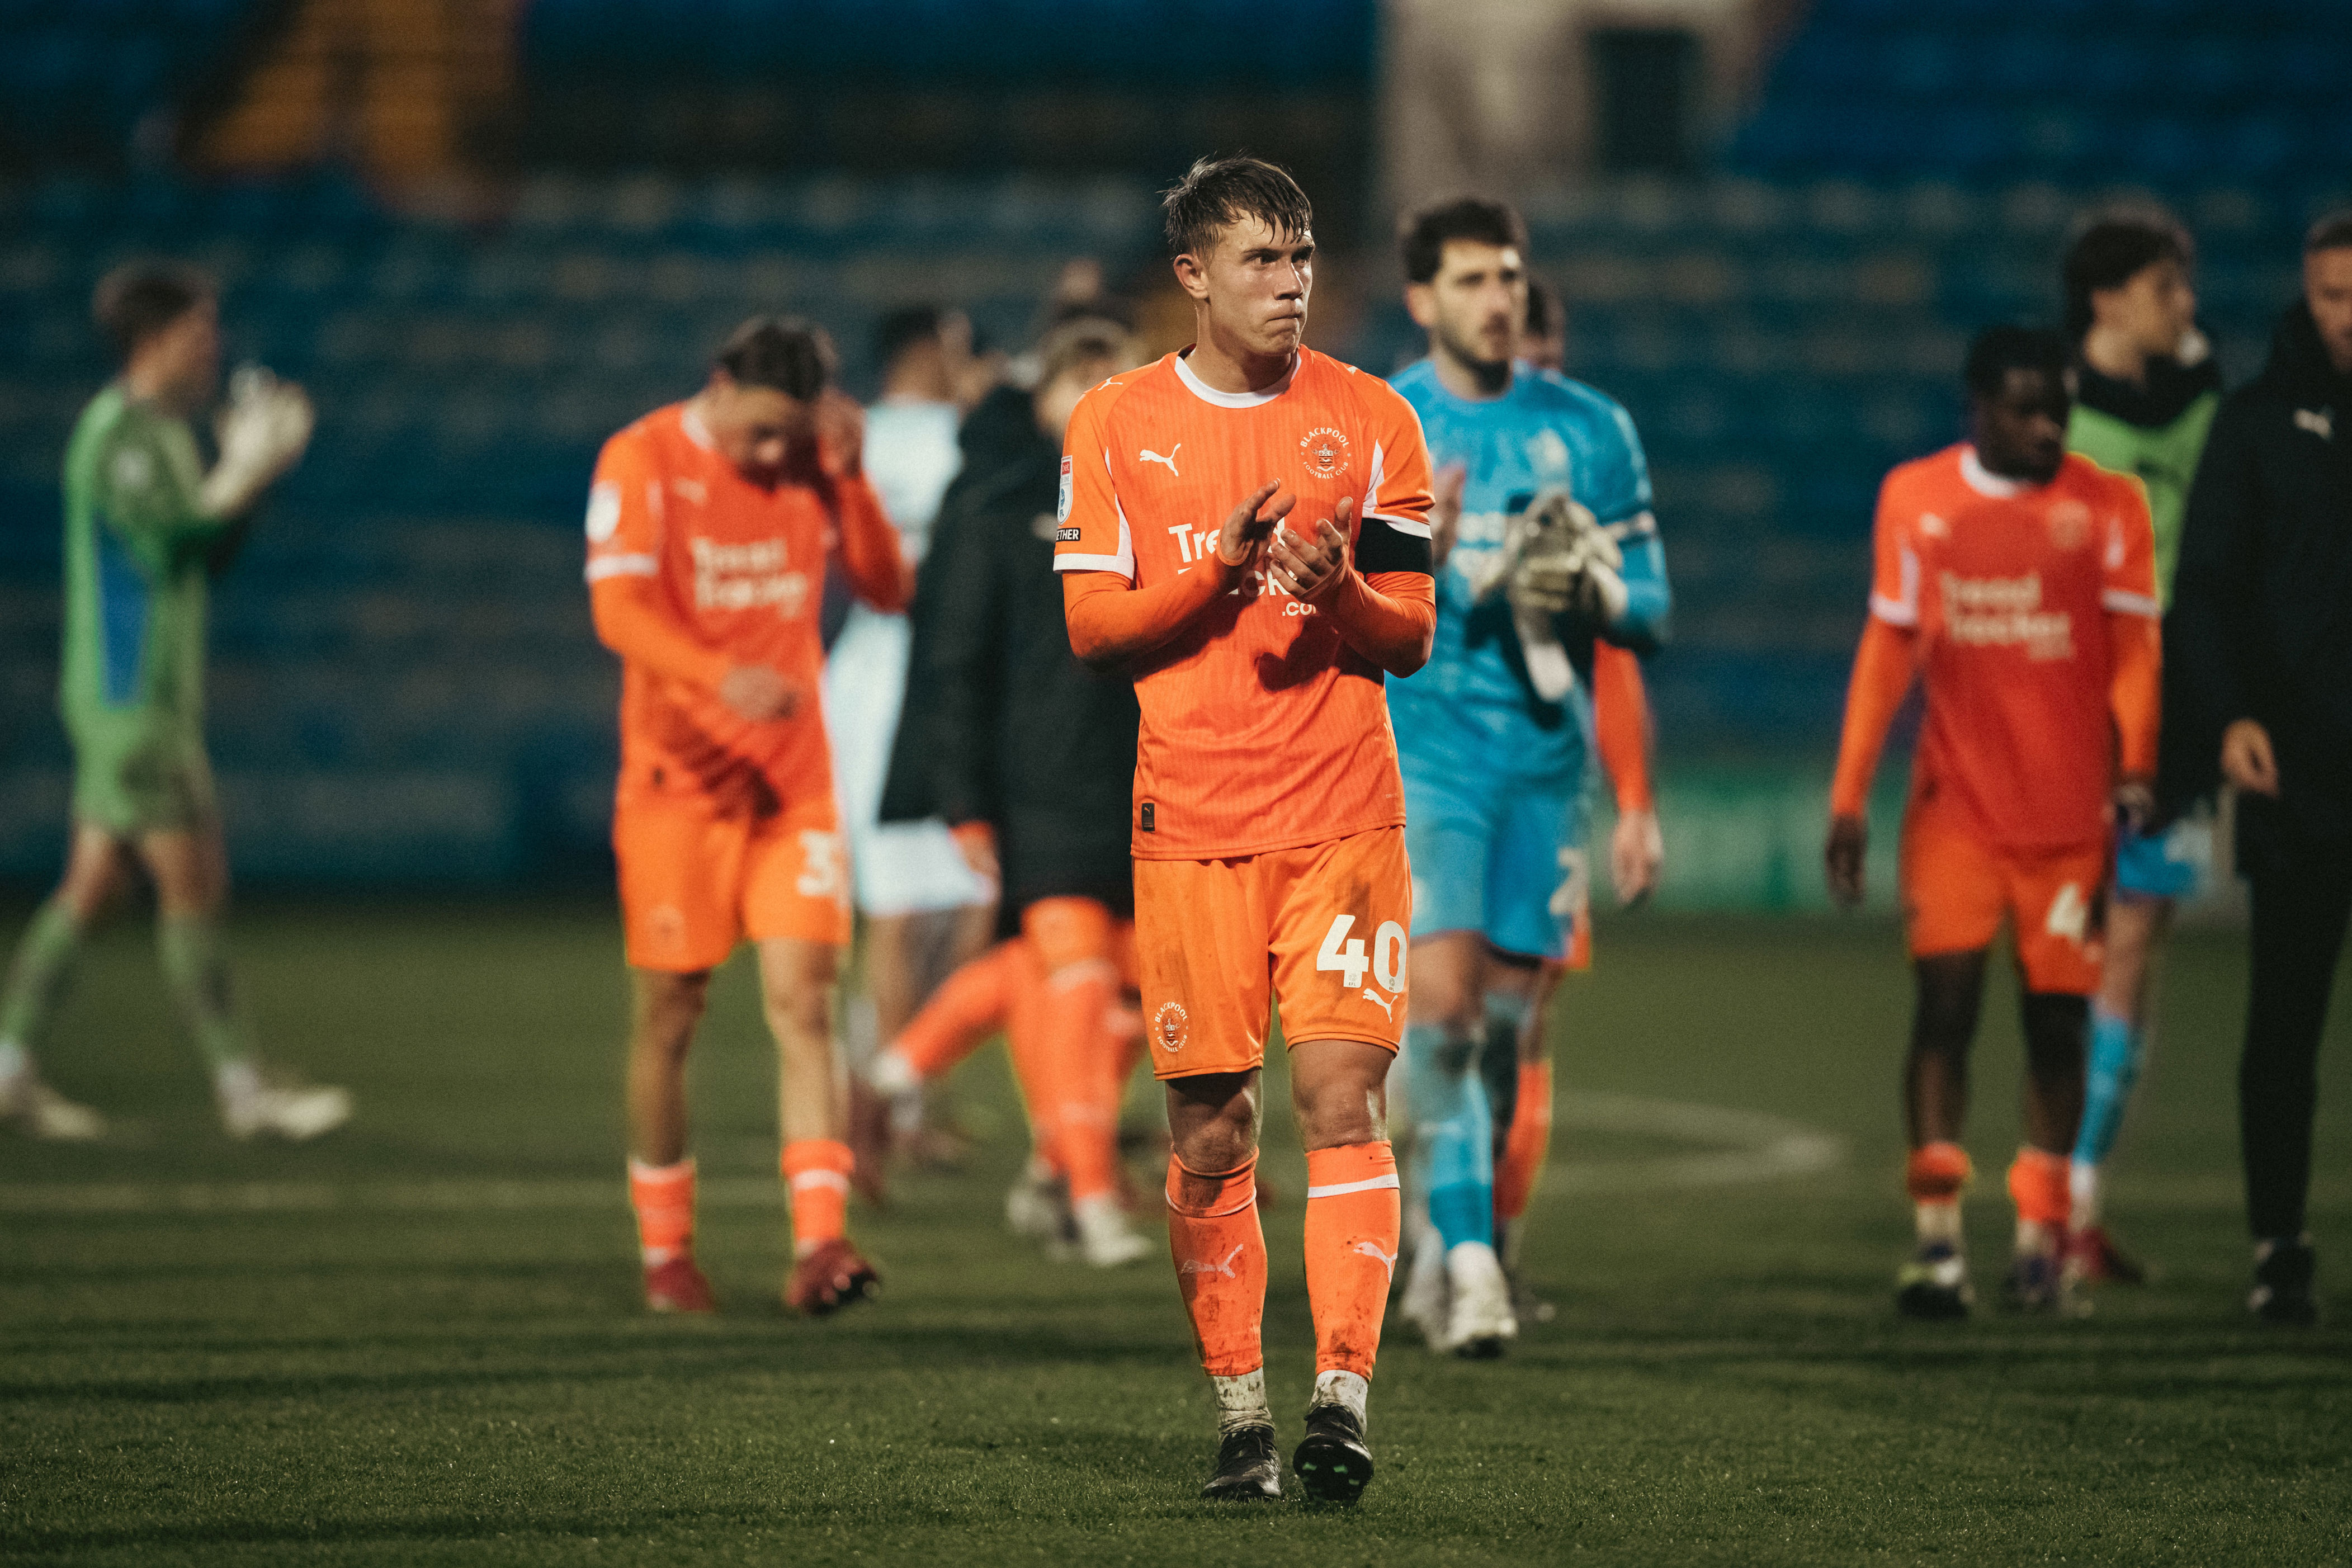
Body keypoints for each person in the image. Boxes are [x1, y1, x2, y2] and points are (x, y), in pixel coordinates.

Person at [1055, 157, 1436, 1505]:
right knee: (1213, 1132)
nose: (1291, 282)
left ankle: (1340, 1394)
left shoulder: (1374, 415)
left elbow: (1413, 635)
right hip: (1193, 823)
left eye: (1303, 255)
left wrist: (1337, 596)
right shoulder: (1111, 424)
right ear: (1193, 276)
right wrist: (1217, 570)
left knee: (1343, 1098)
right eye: (1263, 261)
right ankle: (1240, 1419)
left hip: (1341, 818)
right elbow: (1093, 632)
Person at [1382, 197, 1671, 1358]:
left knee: (1502, 1032)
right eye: (1469, 280)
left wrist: (1591, 589)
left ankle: (1450, 1229)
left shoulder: (1594, 428)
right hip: (1427, 757)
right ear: (1422, 298)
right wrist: (1430, 560)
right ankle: (1469, 1262)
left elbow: (1652, 610)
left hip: (1545, 770)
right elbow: (1345, 608)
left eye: (1508, 276)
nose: (1497, 299)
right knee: (1442, 1014)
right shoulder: (1388, 420)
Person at [1826, 325, 2160, 1320]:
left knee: (2058, 1031)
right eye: (2025, 408)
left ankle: (2037, 1245)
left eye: (2058, 405)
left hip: (2068, 822)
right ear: (1978, 407)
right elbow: (1887, 650)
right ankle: (1936, 1244)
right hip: (1954, 815)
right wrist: (1848, 795)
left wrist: (2135, 764)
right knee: (1945, 1014)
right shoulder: (1917, 499)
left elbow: (2136, 649)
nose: (2047, 425)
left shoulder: (2108, 506)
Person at [585, 317, 911, 1317]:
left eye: (791, 437)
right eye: (761, 433)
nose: (774, 457)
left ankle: (819, 1243)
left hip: (792, 788)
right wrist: (721, 678)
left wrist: (850, 481)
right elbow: (620, 614)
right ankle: (667, 1252)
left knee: (806, 1003)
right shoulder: (641, 459)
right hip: (678, 786)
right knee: (673, 1009)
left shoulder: (817, 463)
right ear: (718, 386)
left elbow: (889, 588)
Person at [0, 261, 350, 1144]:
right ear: (154, 340)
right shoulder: (119, 436)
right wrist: (242, 470)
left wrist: (248, 480)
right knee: (195, 883)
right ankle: (242, 1092)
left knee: (91, 890)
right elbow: (166, 544)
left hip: (139, 700)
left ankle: (8, 1069)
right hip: (131, 704)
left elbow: (205, 556)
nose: (213, 346)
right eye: (199, 331)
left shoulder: (159, 432)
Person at [865, 314, 1156, 1268]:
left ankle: (916, 1079)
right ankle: (1091, 1197)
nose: (1098, 397)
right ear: (1046, 397)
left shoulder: (1161, 497)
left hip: (1146, 781)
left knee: (1137, 995)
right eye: (1082, 378)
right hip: (1040, 785)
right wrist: (961, 800)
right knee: (1073, 980)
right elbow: (953, 663)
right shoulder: (1002, 506)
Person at [2160, 211, 2352, 1326]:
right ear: (2305, 293)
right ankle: (2280, 1242)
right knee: (2283, 1021)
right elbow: (2206, 593)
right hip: (2298, 777)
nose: (2346, 316)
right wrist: (2228, 714)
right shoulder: (2254, 422)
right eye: (2331, 295)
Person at [2058, 207, 2225, 1294]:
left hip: (2183, 713)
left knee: (2137, 947)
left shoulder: (2208, 405)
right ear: (2111, 299)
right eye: (2169, 288)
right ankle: (2044, 1198)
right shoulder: (2054, 417)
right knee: (2074, 955)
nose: (2188, 308)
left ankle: (2076, 1201)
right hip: (2076, 716)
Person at [824, 308, 997, 1121]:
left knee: (907, 906)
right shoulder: (959, 439)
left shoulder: (850, 439)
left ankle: (896, 1087)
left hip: (865, 675)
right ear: (930, 350)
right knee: (949, 903)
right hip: (931, 679)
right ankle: (905, 1097)